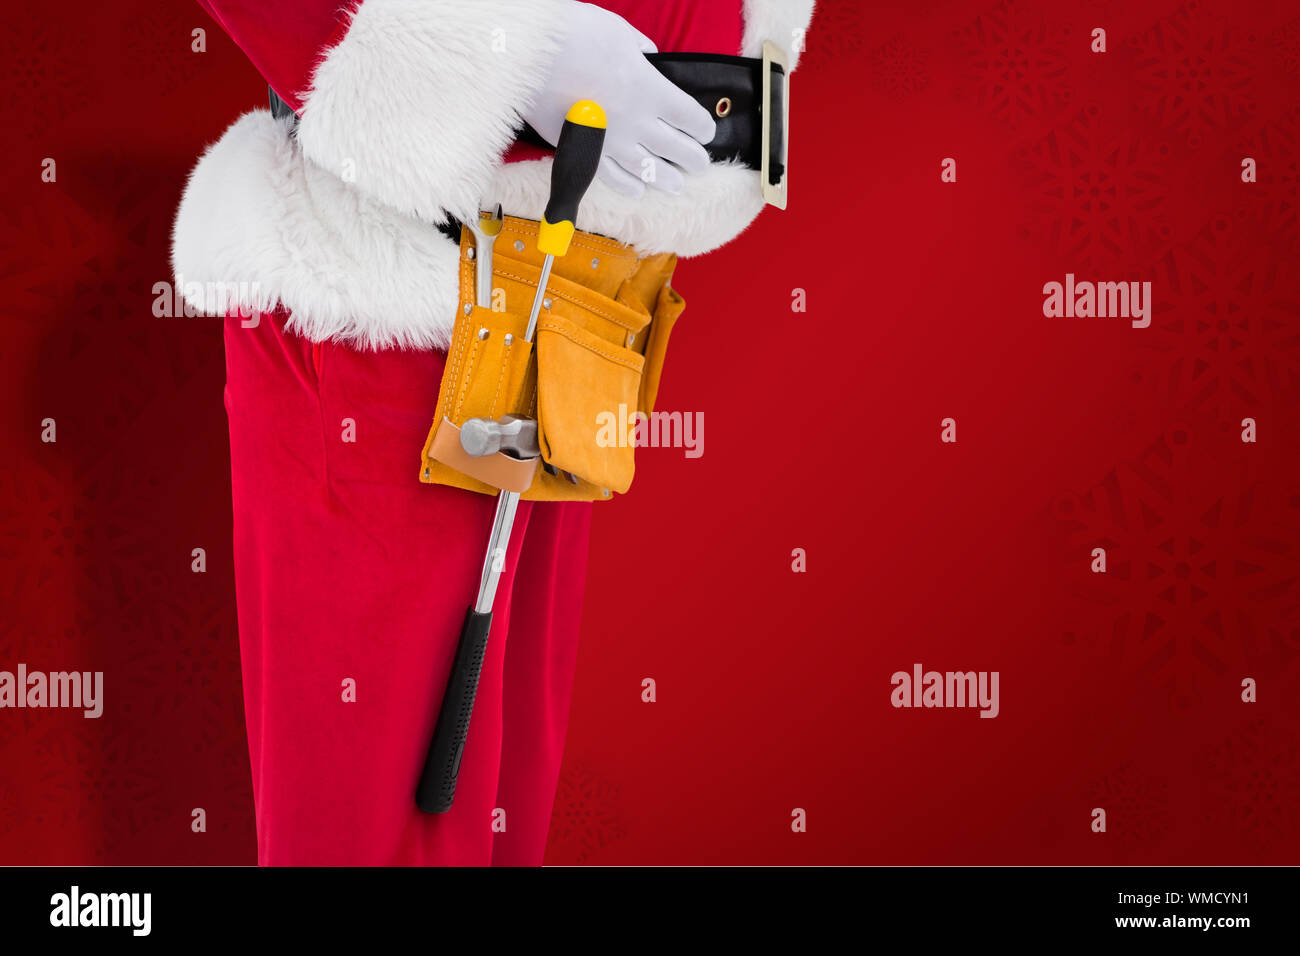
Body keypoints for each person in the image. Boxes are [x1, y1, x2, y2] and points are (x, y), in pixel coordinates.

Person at [173, 0, 815, 865]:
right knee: (384, 835)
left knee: (505, 815)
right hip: (397, 315)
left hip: (578, 306)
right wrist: (512, 57)